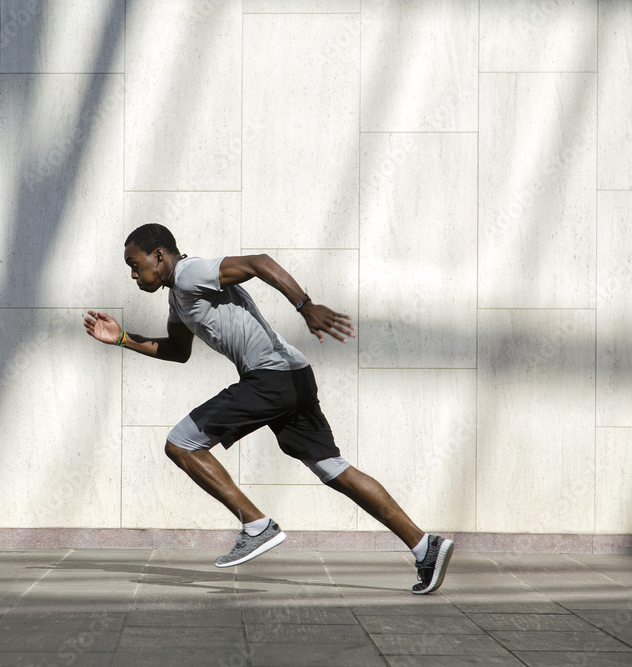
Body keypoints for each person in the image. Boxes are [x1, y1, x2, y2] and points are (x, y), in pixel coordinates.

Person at [83, 223, 454, 594]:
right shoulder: (178, 296)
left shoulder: (190, 273)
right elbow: (178, 352)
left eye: (135, 264)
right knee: (332, 468)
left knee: (181, 444)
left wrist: (305, 307)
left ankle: (257, 526)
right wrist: (122, 339)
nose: (133, 274)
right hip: (293, 376)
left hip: (269, 379)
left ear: (159, 255)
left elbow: (259, 263)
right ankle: (425, 547)